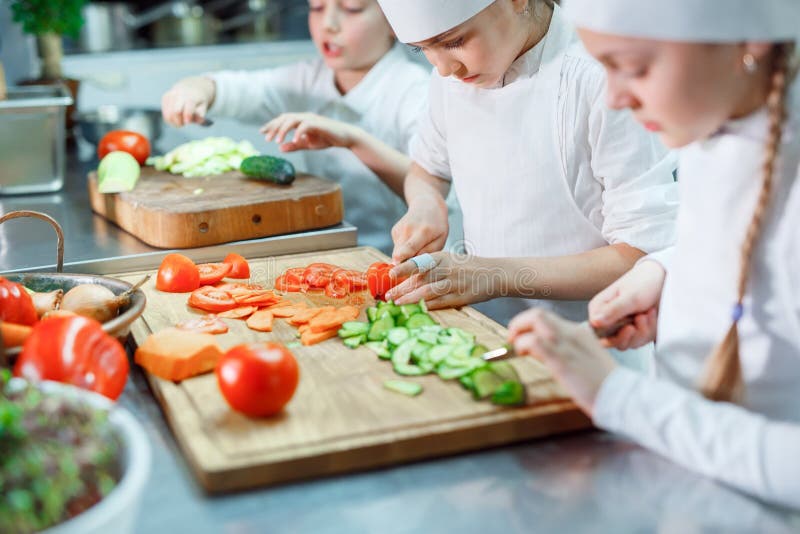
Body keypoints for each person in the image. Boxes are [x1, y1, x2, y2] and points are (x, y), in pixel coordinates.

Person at [508, 0, 800, 508]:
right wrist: (668, 273)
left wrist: (619, 397)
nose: (615, 98)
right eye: (603, 67)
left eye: (635, 67)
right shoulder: (716, 123)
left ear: (747, 44)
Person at [377, 0, 679, 335]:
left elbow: (640, 253)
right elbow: (427, 170)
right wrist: (426, 205)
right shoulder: (447, 79)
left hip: (590, 343)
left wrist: (496, 275)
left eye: (454, 42)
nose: (445, 68)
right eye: (422, 50)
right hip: (481, 330)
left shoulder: (601, 79)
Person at [160, 0, 430, 255]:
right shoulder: (308, 78)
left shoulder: (415, 89)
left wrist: (354, 139)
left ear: (395, 21)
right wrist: (197, 89)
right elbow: (244, 89)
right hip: (326, 251)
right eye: (317, 7)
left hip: (393, 258)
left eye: (351, 8)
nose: (329, 24)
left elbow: (435, 189)